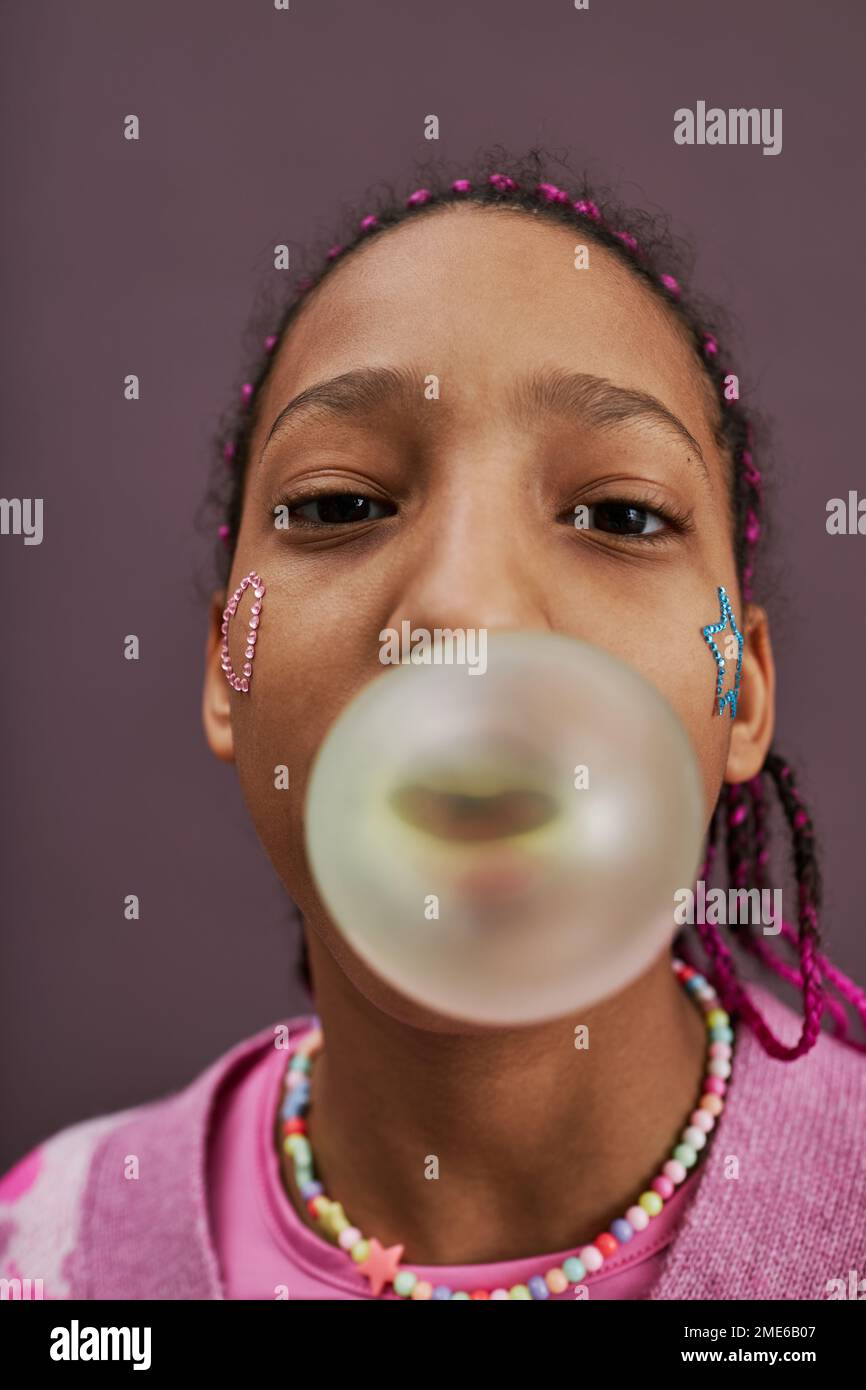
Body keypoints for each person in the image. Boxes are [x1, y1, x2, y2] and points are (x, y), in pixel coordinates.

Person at [2, 149, 864, 1301]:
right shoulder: (47, 1257)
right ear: (224, 667)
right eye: (340, 505)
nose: (463, 608)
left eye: (617, 512)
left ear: (743, 694)